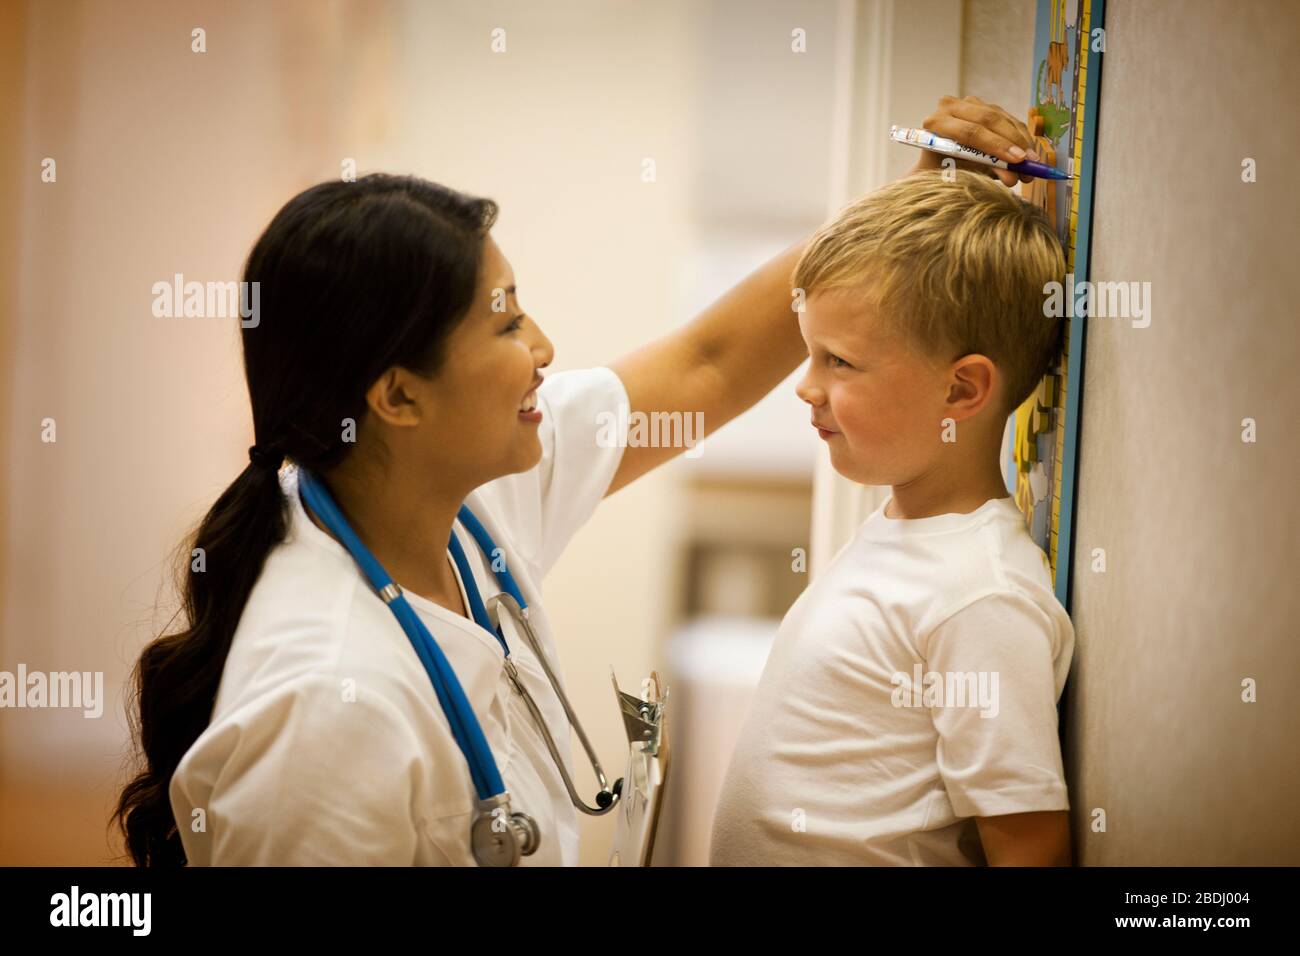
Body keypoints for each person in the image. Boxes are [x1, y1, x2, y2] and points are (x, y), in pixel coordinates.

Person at [114, 97, 1041, 866]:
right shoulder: (322, 706)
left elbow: (711, 364)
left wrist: (901, 230)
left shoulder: (456, 495)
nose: (545, 349)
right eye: (506, 323)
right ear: (397, 395)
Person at [710, 165, 1075, 867]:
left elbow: (1028, 845)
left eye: (839, 361)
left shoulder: (981, 595)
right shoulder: (899, 532)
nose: (805, 387)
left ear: (963, 389)